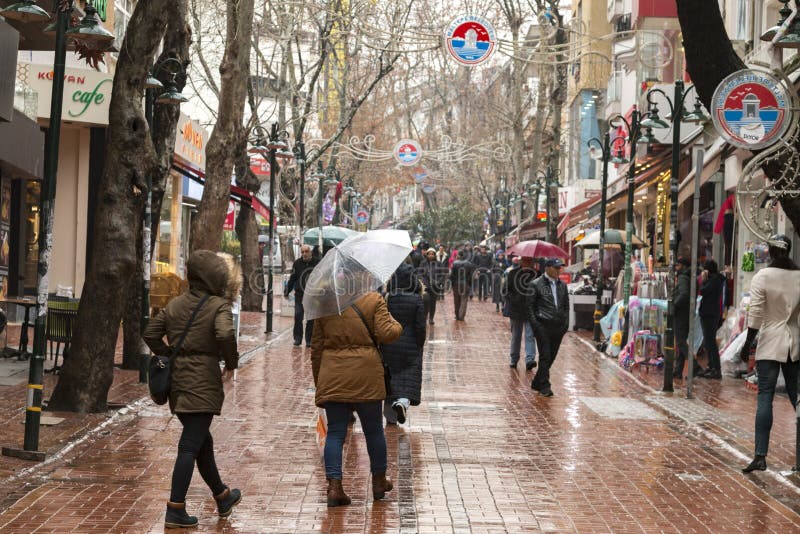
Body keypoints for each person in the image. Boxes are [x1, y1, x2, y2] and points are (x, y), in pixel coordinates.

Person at [143, 250, 242, 529]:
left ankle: (222, 496)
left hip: (178, 384)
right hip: (203, 382)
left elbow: (150, 333)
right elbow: (224, 334)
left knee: (202, 443)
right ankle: (175, 507)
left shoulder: (174, 305)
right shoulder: (218, 305)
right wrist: (231, 363)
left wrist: (168, 353)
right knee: (190, 445)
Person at [310, 292, 403, 506]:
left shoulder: (325, 302)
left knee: (335, 433)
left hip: (333, 374)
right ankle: (379, 481)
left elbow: (316, 347)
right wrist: (397, 323)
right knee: (373, 430)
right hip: (366, 374)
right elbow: (387, 333)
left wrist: (320, 381)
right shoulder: (373, 299)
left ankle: (334, 487)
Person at [737, 235, 800, 473]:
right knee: (797, 398)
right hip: (794, 343)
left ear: (771, 251)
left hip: (770, 343)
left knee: (765, 397)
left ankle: (760, 455)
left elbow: (755, 317)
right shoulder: (798, 276)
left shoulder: (762, 276)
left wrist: (747, 346)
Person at [382, 263, 426, 424]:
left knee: (389, 377)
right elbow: (420, 326)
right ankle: (402, 402)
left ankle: (390, 417)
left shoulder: (388, 297)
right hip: (411, 345)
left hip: (390, 343)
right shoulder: (417, 299)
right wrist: (419, 343)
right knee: (408, 376)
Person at [527, 258, 569, 397]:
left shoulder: (562, 285)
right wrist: (536, 325)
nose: (559, 271)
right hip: (543, 326)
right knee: (545, 356)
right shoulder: (536, 284)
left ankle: (537, 381)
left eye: (560, 268)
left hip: (558, 327)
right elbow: (530, 307)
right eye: (556, 268)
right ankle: (545, 385)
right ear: (547, 268)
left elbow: (566, 306)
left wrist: (565, 324)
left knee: (552, 357)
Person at [672, 257, 704, 379]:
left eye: (678, 265)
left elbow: (684, 294)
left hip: (681, 313)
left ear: (684, 266)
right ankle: (678, 370)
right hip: (688, 313)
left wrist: (674, 305)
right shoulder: (691, 277)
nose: (676, 267)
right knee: (682, 342)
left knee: (680, 342)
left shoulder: (683, 278)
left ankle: (695, 366)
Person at [506, 256, 537, 370]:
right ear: (520, 261)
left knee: (530, 335)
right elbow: (506, 291)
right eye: (525, 260)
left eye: (530, 261)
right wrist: (514, 299)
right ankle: (514, 359)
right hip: (516, 310)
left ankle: (530, 359)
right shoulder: (513, 273)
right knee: (516, 336)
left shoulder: (537, 274)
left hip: (531, 310)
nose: (528, 263)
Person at [285, 244, 320, 346]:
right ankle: (297, 338)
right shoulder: (297, 263)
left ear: (310, 252)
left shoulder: (317, 263)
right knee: (298, 316)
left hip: (312, 296)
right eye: (302, 252)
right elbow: (293, 278)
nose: (304, 254)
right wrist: (287, 291)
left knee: (310, 318)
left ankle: (309, 340)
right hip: (300, 295)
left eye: (306, 251)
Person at [698, 259, 725, 379]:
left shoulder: (714, 280)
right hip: (710, 312)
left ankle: (716, 369)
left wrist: (703, 280)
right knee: (709, 342)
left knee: (710, 342)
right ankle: (711, 366)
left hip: (709, 313)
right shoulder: (717, 279)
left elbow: (703, 291)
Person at [418, 248, 445, 324]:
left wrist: (438, 282)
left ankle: (431, 318)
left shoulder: (439, 263)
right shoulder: (423, 263)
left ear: (434, 255)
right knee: (425, 302)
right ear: (427, 255)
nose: (430, 255)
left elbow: (442, 275)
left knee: (433, 303)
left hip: (435, 287)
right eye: (429, 254)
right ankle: (425, 316)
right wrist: (423, 281)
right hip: (426, 287)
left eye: (432, 254)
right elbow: (419, 273)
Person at [450, 250, 476, 321]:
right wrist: (469, 284)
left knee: (456, 300)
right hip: (465, 284)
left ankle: (457, 315)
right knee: (464, 300)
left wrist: (452, 284)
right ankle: (461, 316)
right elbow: (470, 276)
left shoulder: (454, 263)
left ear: (458, 255)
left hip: (456, 284)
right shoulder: (469, 264)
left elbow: (452, 275)